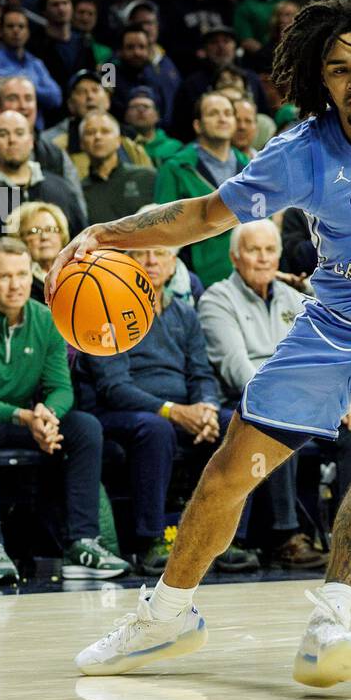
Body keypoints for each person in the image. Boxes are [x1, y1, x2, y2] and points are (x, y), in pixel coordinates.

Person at [55, 0, 351, 687]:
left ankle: (332, 615)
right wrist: (107, 232)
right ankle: (167, 615)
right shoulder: (302, 152)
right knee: (230, 471)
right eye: (338, 71)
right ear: (322, 81)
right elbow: (200, 215)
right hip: (329, 325)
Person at [0, 237, 119, 584]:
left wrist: (47, 415)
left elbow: (61, 387)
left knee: (86, 426)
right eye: (4, 276)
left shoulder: (46, 319)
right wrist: (26, 417)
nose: (15, 284)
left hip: (24, 417)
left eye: (21, 275)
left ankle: (82, 542)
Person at [196, 218, 338, 572]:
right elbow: (235, 367)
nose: (262, 258)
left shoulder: (295, 298)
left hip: (301, 397)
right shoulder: (217, 298)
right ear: (234, 257)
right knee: (279, 420)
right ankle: (285, 536)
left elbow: (323, 354)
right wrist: (292, 397)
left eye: (269, 250)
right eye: (253, 250)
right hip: (245, 398)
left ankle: (344, 533)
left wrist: (335, 395)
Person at [80, 243, 223, 576]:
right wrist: (172, 411)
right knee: (155, 428)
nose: (151, 260)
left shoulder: (184, 313)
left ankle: (224, 540)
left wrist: (208, 409)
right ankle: (151, 540)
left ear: (174, 264)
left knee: (235, 424)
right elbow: (114, 387)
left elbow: (201, 373)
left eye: (160, 253)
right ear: (127, 264)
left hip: (181, 410)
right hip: (120, 414)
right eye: (141, 253)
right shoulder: (105, 312)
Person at [153, 91, 248, 285]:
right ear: (197, 125)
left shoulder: (251, 167)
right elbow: (164, 228)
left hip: (249, 276)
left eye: (228, 113)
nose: (222, 118)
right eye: (213, 113)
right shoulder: (175, 168)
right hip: (199, 280)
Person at [0, 110, 85, 242]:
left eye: (19, 133)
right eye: (3, 134)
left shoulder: (60, 188)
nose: (12, 140)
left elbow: (80, 239)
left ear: (31, 141)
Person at [0, 7, 62, 120]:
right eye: (10, 26)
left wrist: (25, 85)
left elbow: (56, 98)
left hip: (34, 130)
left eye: (21, 26)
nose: (16, 30)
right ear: (0, 31)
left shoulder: (36, 64)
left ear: (27, 32)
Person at [80, 111, 155, 225]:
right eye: (90, 132)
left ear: (118, 141)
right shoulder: (79, 191)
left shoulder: (147, 177)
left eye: (105, 131)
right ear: (82, 144)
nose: (97, 137)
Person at [6, 200, 68, 304]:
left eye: (51, 229)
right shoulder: (17, 283)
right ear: (19, 239)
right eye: (35, 231)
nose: (44, 237)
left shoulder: (77, 269)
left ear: (61, 235)